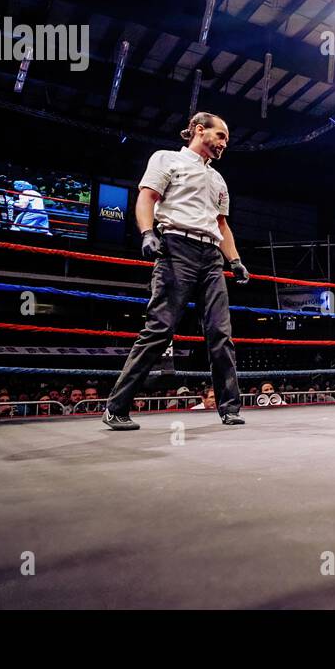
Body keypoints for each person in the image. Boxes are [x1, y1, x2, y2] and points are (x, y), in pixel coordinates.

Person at [103, 112, 248, 431]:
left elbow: (221, 224)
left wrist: (234, 260)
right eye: (221, 135)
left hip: (211, 255)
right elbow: (147, 197)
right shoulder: (166, 158)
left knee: (221, 333)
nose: (225, 143)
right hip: (176, 247)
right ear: (199, 130)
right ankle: (116, 407)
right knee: (159, 330)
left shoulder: (218, 179)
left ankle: (229, 407)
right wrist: (146, 232)